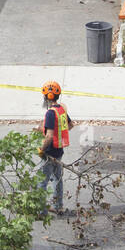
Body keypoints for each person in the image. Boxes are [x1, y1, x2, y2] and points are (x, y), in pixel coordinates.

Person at [37, 80, 70, 214]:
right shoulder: (61, 109)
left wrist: (42, 150)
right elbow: (70, 125)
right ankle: (58, 206)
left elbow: (49, 137)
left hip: (50, 153)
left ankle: (40, 211)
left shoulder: (50, 113)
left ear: (47, 97)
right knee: (57, 179)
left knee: (41, 181)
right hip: (59, 151)